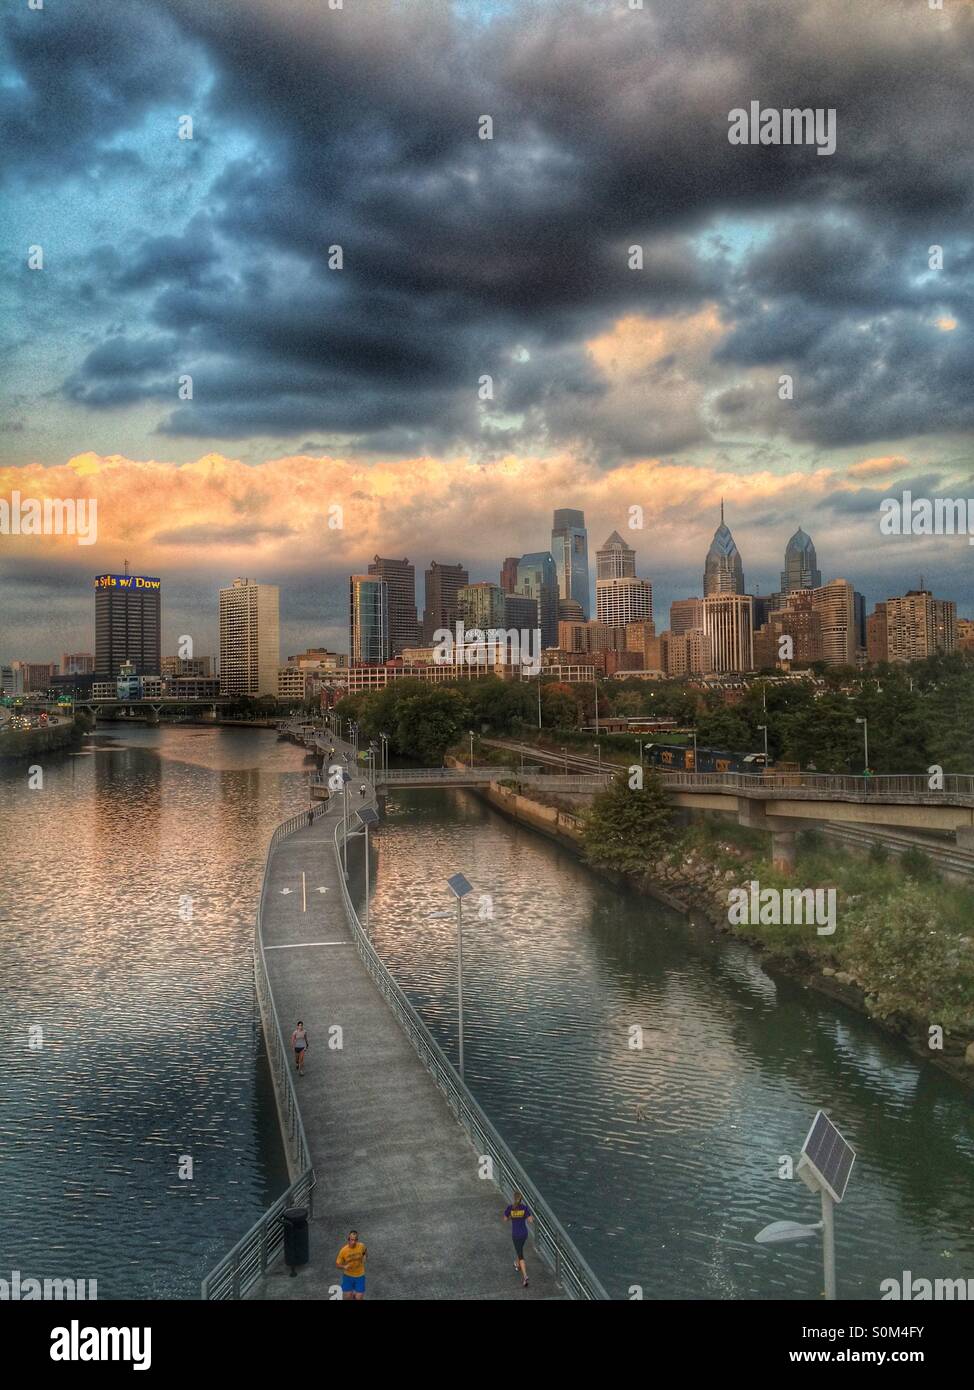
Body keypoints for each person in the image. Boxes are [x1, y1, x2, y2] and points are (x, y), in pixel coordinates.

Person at [503, 1191, 533, 1288]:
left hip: (516, 1235)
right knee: (519, 1249)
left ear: (514, 1198)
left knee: (521, 1255)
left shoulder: (510, 1208)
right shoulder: (524, 1208)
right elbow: (530, 1220)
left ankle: (525, 1276)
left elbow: (505, 1219)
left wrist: (511, 1217)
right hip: (524, 1234)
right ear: (521, 1199)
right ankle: (517, 1264)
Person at [336, 1230, 367, 1299]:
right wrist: (344, 1266)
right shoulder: (343, 1251)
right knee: (348, 1297)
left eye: (355, 1240)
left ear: (357, 1240)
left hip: (360, 1275)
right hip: (348, 1276)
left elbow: (365, 1251)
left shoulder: (361, 1246)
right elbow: (337, 1264)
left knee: (359, 1298)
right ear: (348, 1239)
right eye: (352, 1240)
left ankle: (355, 1296)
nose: (353, 1242)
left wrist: (365, 1256)